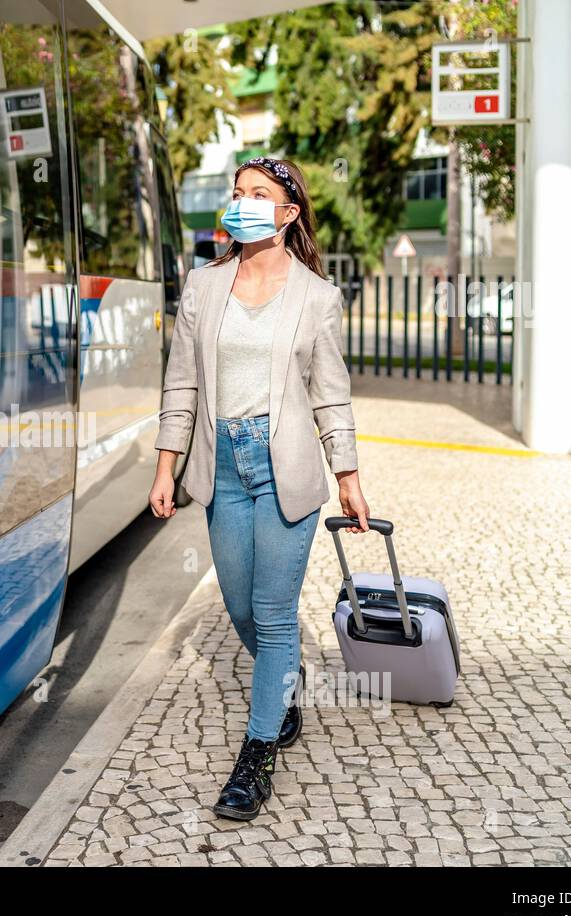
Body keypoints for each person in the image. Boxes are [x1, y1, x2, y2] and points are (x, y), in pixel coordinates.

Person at [147, 156, 370, 821]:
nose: (242, 202)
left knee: (273, 613)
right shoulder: (204, 285)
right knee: (242, 607)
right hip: (226, 468)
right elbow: (181, 383)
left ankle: (257, 753)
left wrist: (350, 479)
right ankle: (288, 680)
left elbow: (331, 399)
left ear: (288, 212)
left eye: (258, 194)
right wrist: (166, 465)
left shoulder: (317, 297)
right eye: (236, 192)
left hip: (286, 468)